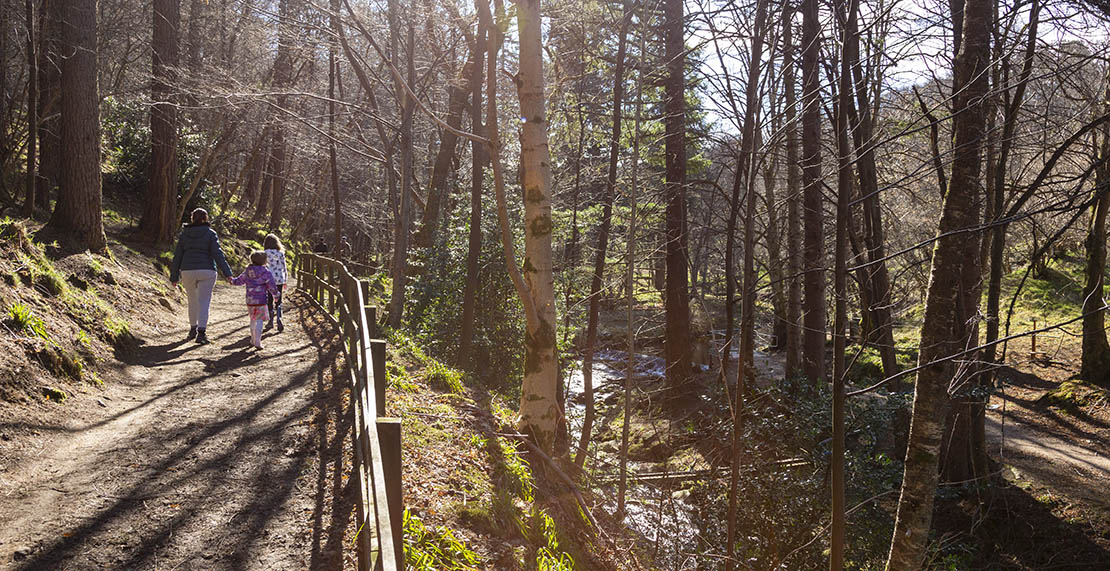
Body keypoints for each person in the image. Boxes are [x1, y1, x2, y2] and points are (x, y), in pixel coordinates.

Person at [169, 208, 233, 344]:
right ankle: (201, 333)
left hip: (187, 270)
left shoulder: (184, 234)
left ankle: (193, 329)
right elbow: (218, 255)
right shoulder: (211, 234)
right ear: (206, 219)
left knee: (192, 300)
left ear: (192, 219)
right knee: (204, 301)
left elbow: (177, 256)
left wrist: (174, 276)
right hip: (207, 271)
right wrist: (228, 274)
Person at [230, 251, 279, 349]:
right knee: (260, 320)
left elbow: (239, 281)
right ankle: (257, 341)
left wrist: (231, 280)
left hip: (250, 300)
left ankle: (252, 340)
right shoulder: (266, 272)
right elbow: (271, 286)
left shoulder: (248, 271)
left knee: (253, 319)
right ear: (264, 261)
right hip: (261, 300)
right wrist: (276, 294)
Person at [263, 233, 288, 332]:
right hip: (279, 279)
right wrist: (285, 280)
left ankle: (270, 321)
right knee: (279, 299)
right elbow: (284, 267)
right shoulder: (280, 253)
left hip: (269, 279)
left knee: (269, 299)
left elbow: (262, 266)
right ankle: (279, 318)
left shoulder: (264, 253)